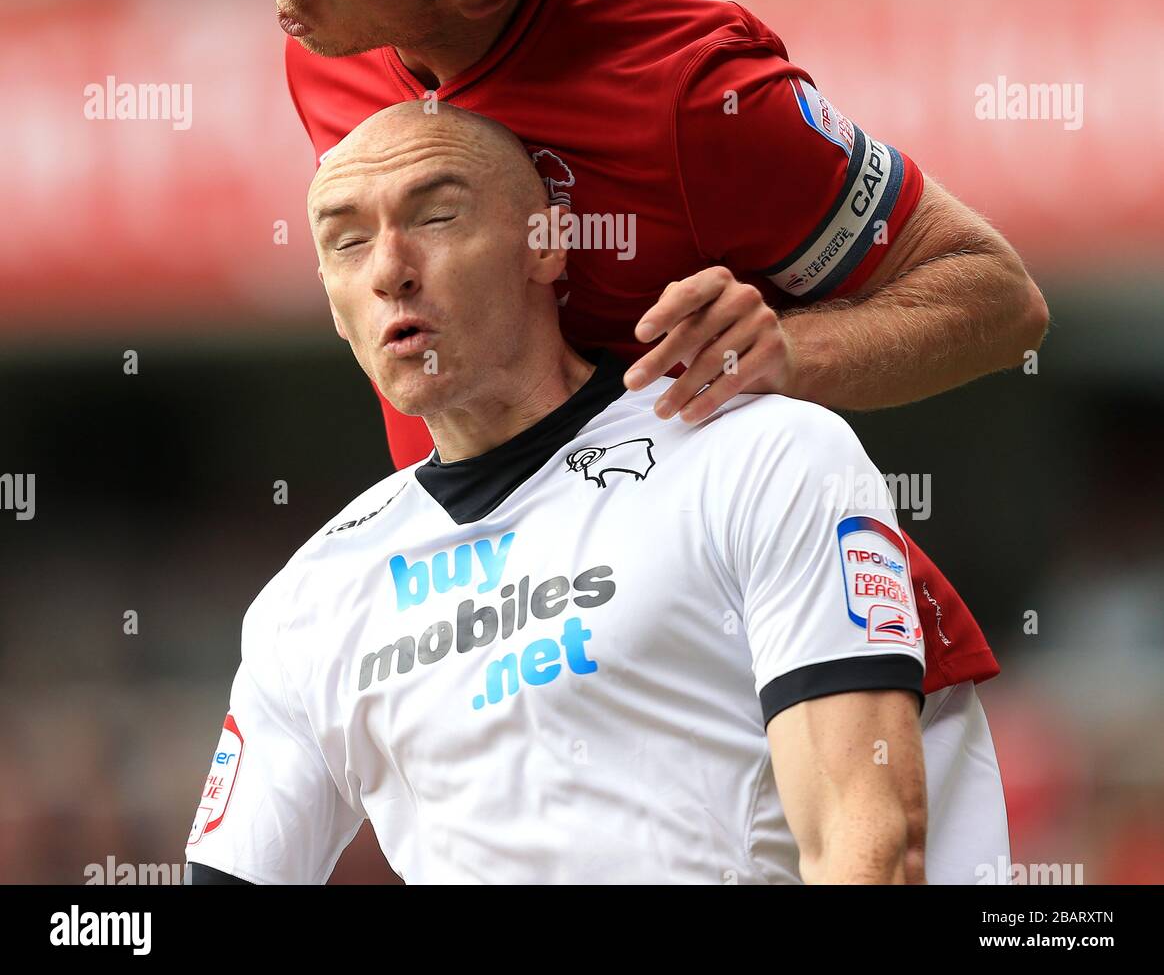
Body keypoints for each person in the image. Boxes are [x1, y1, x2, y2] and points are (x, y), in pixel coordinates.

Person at [275, 0, 1050, 700]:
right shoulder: (329, 53)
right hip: (519, 653)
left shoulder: (691, 99)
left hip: (762, 662)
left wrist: (792, 353)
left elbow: (997, 296)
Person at [186, 102, 1010, 885]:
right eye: (347, 242)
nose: (391, 271)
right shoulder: (309, 601)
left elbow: (864, 842)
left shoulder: (761, 454)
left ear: (547, 244)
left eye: (436, 218)